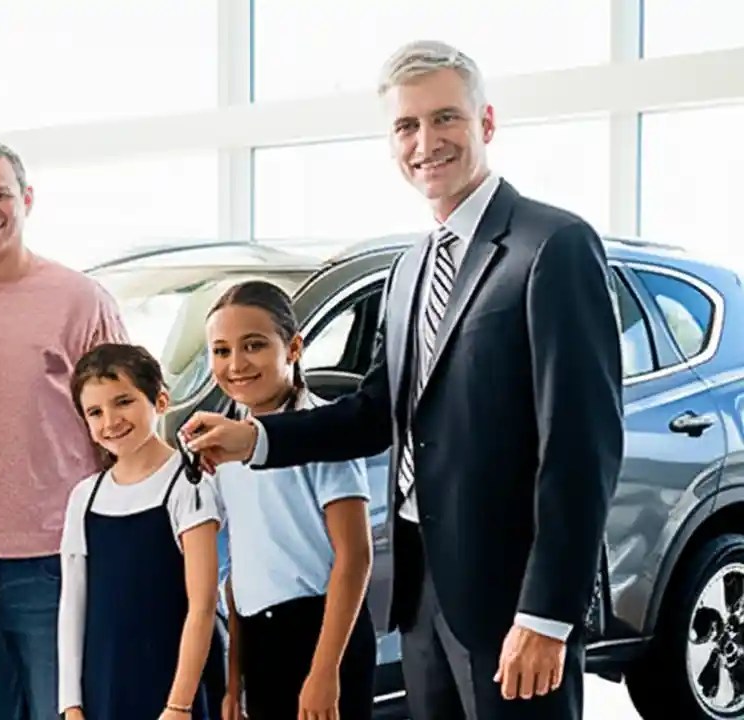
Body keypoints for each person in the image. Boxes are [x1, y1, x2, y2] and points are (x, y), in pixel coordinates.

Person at [181, 40, 623, 720]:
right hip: (422, 593)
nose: (426, 142)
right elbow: (372, 413)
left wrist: (546, 614)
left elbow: (580, 448)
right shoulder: (409, 268)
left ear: (486, 122)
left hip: (511, 597)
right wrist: (255, 440)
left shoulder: (551, 246)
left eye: (445, 118)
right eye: (406, 126)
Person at [0, 139, 129, 720]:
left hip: (56, 558)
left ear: (27, 199)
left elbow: (126, 426)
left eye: (0, 195)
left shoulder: (79, 299)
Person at [205, 281, 376, 720]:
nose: (236, 364)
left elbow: (355, 557)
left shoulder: (322, 433)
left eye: (254, 345)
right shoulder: (225, 446)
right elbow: (238, 571)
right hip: (259, 642)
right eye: (221, 351)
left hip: (322, 635)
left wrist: (325, 671)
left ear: (294, 348)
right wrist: (234, 679)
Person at [57, 343, 221, 720]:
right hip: (104, 686)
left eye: (124, 402)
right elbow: (73, 605)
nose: (110, 421)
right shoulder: (85, 497)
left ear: (160, 400)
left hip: (174, 685)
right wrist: (71, 703)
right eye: (95, 412)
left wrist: (179, 705)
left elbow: (202, 605)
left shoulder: (188, 485)